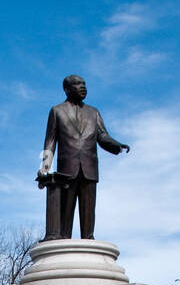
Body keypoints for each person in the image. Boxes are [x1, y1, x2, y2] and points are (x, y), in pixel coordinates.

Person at [38, 75, 129, 240]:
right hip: (67, 170)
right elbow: (50, 141)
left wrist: (116, 145)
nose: (83, 87)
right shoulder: (57, 111)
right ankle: (65, 241)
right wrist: (45, 167)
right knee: (66, 213)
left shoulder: (93, 112)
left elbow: (102, 136)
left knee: (88, 211)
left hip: (89, 167)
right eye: (78, 84)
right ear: (67, 89)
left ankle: (88, 239)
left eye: (84, 84)